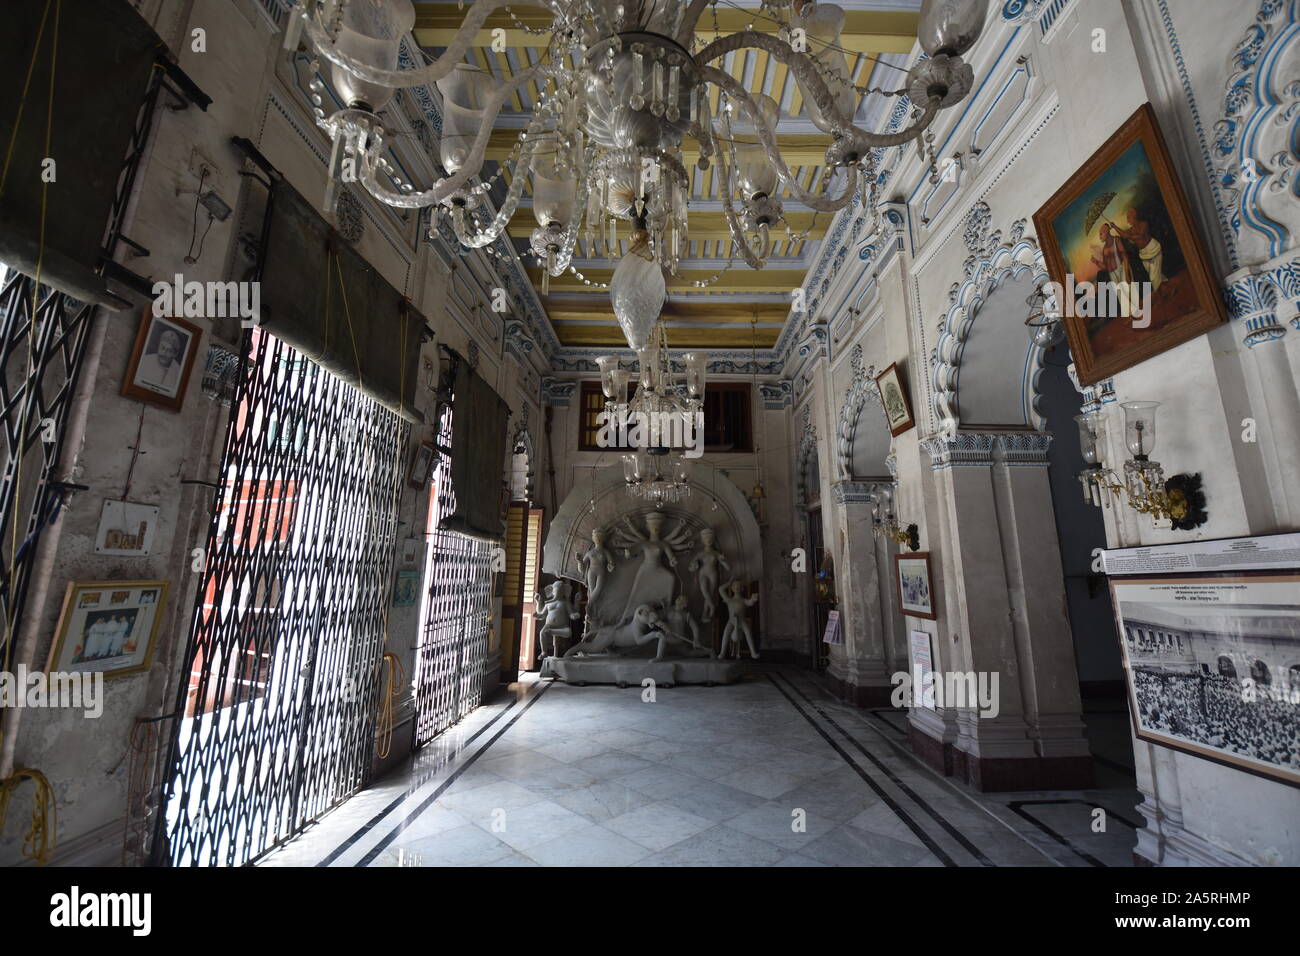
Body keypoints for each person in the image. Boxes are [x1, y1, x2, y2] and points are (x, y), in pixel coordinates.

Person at [136, 327, 185, 393]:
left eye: (169, 351)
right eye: (162, 347)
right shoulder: (145, 361)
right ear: (158, 346)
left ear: (175, 354)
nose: (163, 353)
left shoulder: (178, 373)